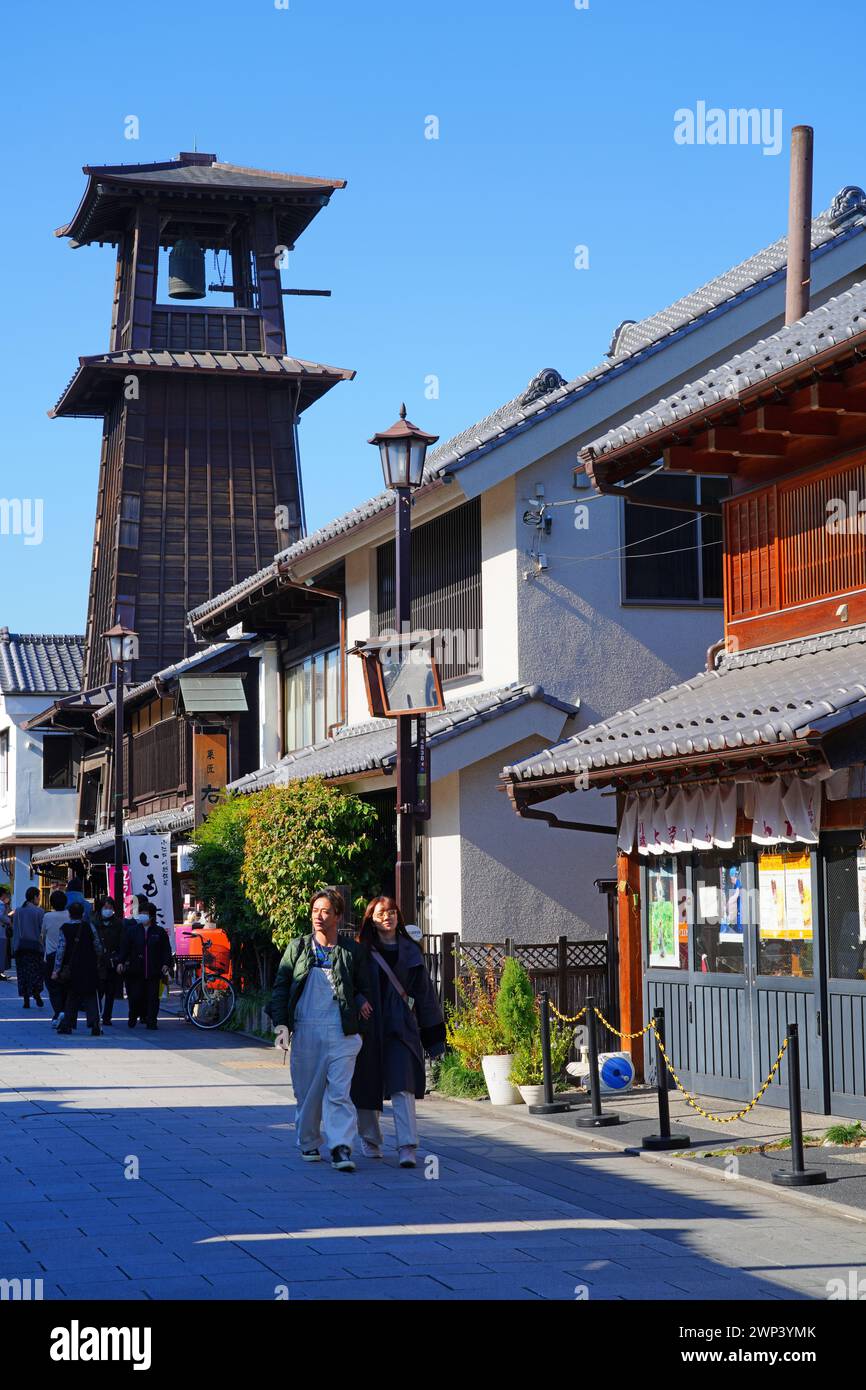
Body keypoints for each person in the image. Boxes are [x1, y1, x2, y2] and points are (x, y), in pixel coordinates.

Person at [269, 888, 372, 1172]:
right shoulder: (298, 948)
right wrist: (281, 1026)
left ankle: (340, 1147)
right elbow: (281, 987)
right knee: (308, 1092)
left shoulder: (352, 951)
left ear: (338, 916)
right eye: (315, 910)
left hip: (342, 1030)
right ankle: (309, 1140)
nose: (319, 916)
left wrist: (362, 1004)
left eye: (326, 911)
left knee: (339, 1091)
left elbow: (366, 987)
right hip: (305, 1027)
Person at [351, 897, 445, 1168]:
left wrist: (433, 1035)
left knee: (403, 1087)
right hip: (369, 1027)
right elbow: (349, 984)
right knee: (367, 1084)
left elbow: (425, 994)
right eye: (381, 913)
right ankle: (370, 1139)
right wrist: (358, 1000)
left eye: (392, 912)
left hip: (402, 1027)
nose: (387, 917)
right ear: (371, 918)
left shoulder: (411, 950)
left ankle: (407, 1145)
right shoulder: (362, 951)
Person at [117, 896, 172, 1030]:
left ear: (152, 916)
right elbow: (125, 948)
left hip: (154, 970)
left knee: (153, 997)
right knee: (135, 996)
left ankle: (151, 1021)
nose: (142, 916)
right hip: (136, 970)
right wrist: (121, 962)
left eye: (145, 913)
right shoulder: (133, 931)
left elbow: (166, 950)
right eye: (141, 913)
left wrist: (166, 964)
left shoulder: (159, 932)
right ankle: (132, 1016)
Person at [53, 902, 104, 1036]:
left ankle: (68, 1024)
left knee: (72, 996)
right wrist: (98, 960)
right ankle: (94, 1024)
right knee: (90, 995)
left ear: (69, 914)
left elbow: (60, 950)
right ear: (82, 914)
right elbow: (98, 946)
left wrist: (56, 969)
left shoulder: (64, 928)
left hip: (72, 968)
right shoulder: (89, 926)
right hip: (89, 966)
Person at [94, 894, 130, 1026]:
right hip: (98, 962)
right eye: (105, 907)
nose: (108, 909)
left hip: (112, 962)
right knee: (98, 990)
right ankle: (96, 1014)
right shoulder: (94, 923)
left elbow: (122, 943)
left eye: (110, 907)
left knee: (110, 991)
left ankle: (107, 1016)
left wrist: (120, 960)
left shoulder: (118, 924)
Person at [12, 886, 44, 1009]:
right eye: (39, 897)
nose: (39, 899)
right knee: (36, 973)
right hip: (35, 947)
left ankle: (26, 999)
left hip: (21, 947)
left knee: (23, 973)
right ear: (35, 897)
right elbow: (42, 930)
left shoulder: (18, 911)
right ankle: (36, 992)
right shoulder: (39, 912)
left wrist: (15, 947)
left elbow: (15, 930)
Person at [41, 889, 69, 1025]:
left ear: (51, 903)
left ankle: (58, 1012)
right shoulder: (70, 915)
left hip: (51, 956)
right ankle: (64, 1010)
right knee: (66, 986)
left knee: (52, 987)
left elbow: (42, 936)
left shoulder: (47, 917)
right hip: (67, 956)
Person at [0, 885, 12, 981]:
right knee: (2, 952)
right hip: (1, 932)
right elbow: (2, 916)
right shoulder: (1, 904)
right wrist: (9, 920)